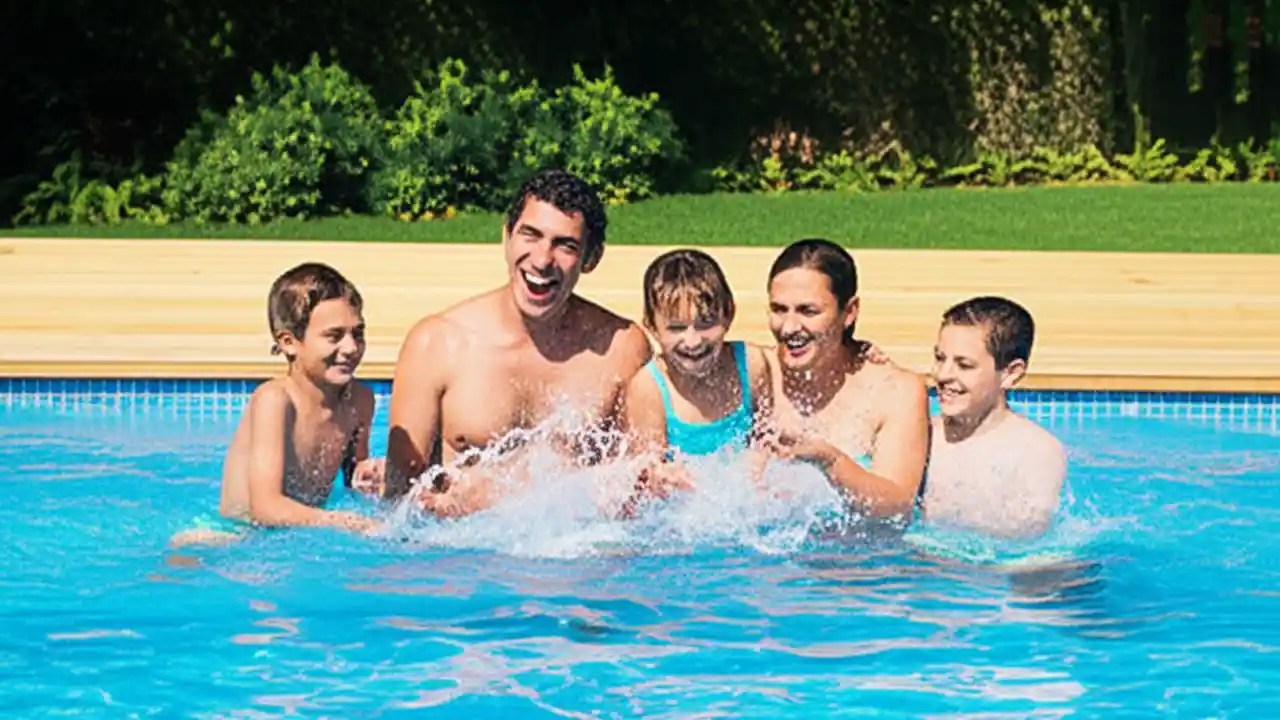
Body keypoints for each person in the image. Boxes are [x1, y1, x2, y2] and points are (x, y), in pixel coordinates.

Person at [384, 168, 652, 516]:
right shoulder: (437, 345)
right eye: (530, 235)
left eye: (565, 245)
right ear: (506, 238)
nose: (542, 260)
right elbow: (396, 507)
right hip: (459, 561)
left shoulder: (620, 348)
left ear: (591, 258)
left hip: (577, 561)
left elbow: (639, 491)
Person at [171, 262, 383, 547]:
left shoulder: (360, 401)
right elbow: (266, 508)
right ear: (289, 343)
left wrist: (370, 478)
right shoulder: (276, 401)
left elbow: (354, 483)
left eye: (357, 333)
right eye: (334, 336)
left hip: (296, 533)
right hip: (233, 536)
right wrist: (344, 522)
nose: (351, 347)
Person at [760, 238, 929, 520]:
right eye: (779, 309)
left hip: (855, 561)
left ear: (849, 312)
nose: (789, 327)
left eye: (808, 311)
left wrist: (831, 461)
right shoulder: (758, 372)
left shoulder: (894, 392)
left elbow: (896, 506)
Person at [618, 249, 772, 509]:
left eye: (706, 323)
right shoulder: (650, 389)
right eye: (676, 328)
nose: (692, 341)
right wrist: (659, 478)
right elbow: (644, 477)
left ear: (728, 314)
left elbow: (771, 434)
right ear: (652, 327)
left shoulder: (751, 364)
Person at [918, 296, 1068, 539]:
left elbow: (1025, 543)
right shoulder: (920, 436)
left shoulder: (1037, 452)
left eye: (964, 365)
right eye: (939, 358)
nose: (943, 374)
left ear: (1010, 374)